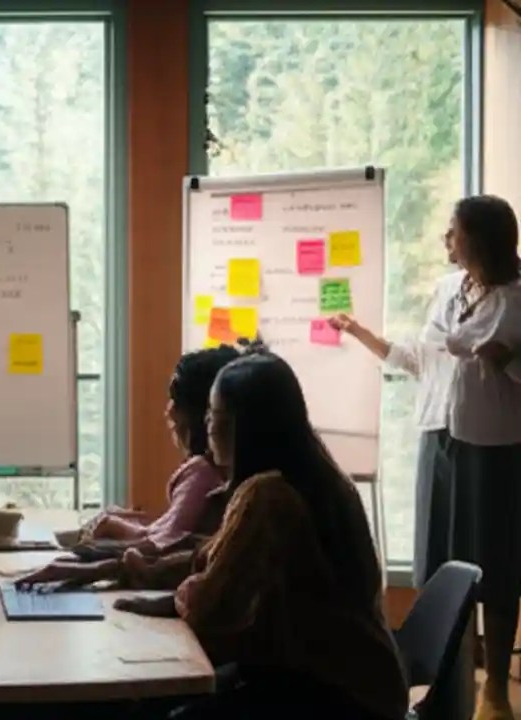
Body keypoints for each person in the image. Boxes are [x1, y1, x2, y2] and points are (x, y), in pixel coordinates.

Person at [120, 353, 407, 720]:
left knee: (164, 709)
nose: (207, 424)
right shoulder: (317, 477)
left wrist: (173, 592)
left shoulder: (269, 496)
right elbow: (212, 560)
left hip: (337, 696)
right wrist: (155, 579)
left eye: (216, 414)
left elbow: (212, 609)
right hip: (359, 686)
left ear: (248, 425)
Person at [332, 194, 521, 720]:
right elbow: (421, 358)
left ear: (479, 240)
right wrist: (363, 335)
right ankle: (452, 684)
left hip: (495, 447)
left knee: (497, 565)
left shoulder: (518, 296)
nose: (445, 238)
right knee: (438, 563)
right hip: (438, 436)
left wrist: (506, 360)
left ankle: (495, 692)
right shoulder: (446, 289)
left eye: (453, 231)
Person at [16, 343, 244, 589]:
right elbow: (186, 542)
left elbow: (164, 546)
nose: (168, 412)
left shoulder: (208, 476)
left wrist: (106, 542)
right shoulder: (229, 480)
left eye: (217, 414)